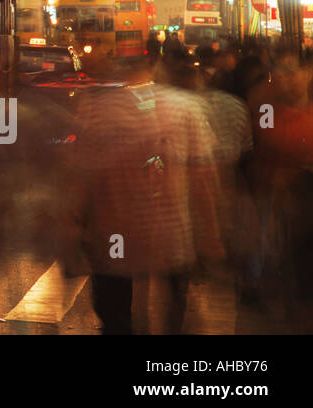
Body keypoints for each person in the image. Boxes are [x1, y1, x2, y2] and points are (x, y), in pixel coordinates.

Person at [68, 59, 223, 334]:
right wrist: (210, 237)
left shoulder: (97, 109)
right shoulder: (185, 107)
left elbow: (80, 179)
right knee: (173, 312)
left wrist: (73, 234)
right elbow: (202, 178)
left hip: (115, 239)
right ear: (153, 67)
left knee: (116, 319)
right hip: (171, 236)